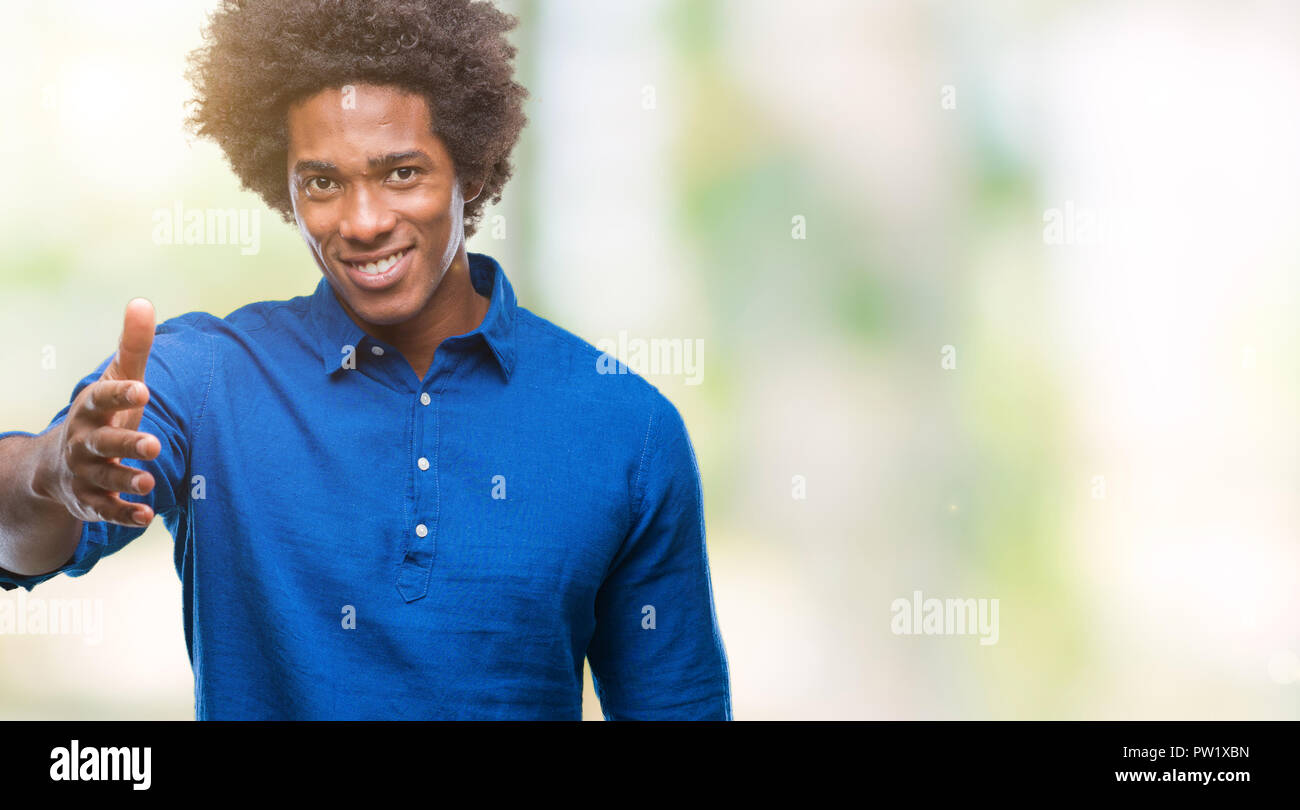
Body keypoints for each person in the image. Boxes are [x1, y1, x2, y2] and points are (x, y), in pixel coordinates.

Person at [0, 0, 731, 721]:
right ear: (284, 188)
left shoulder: (627, 429)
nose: (364, 222)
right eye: (323, 182)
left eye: (402, 173)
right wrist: (50, 472)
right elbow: (18, 532)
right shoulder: (203, 381)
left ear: (471, 170)